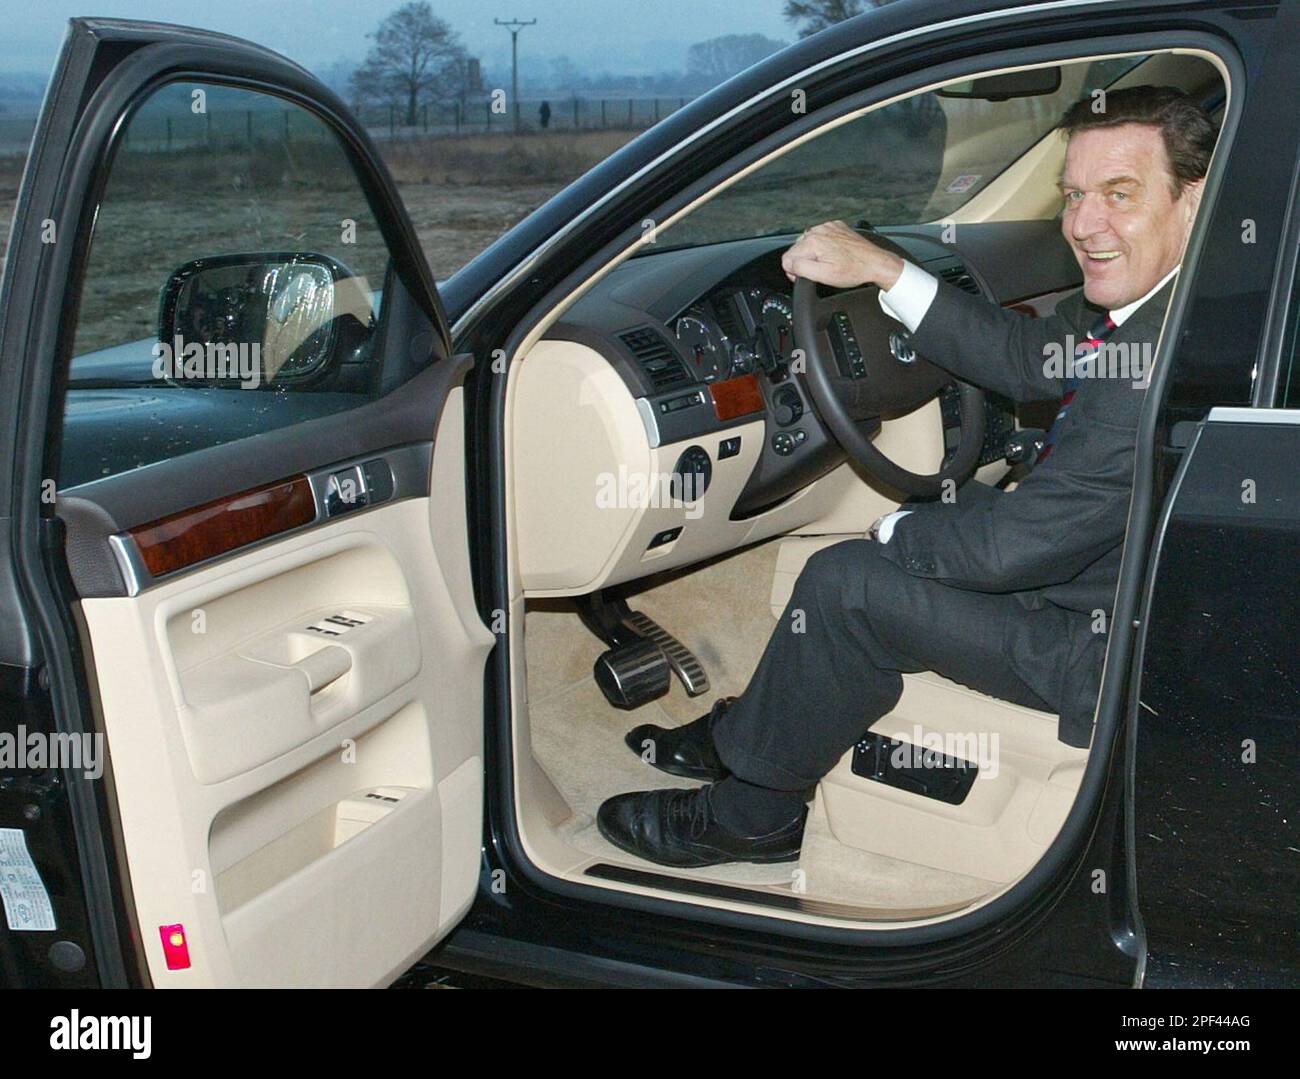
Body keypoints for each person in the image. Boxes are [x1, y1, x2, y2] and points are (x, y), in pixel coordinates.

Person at [596, 85, 1215, 868]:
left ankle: (752, 814)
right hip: (1113, 585)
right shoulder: (1175, 307)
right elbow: (1029, 360)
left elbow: (1007, 551)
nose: (1084, 225)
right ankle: (742, 735)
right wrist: (888, 271)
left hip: (1110, 650)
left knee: (844, 582)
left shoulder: (1148, 367)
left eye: (1120, 196)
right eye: (1074, 195)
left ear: (1192, 200)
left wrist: (900, 529)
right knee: (905, 553)